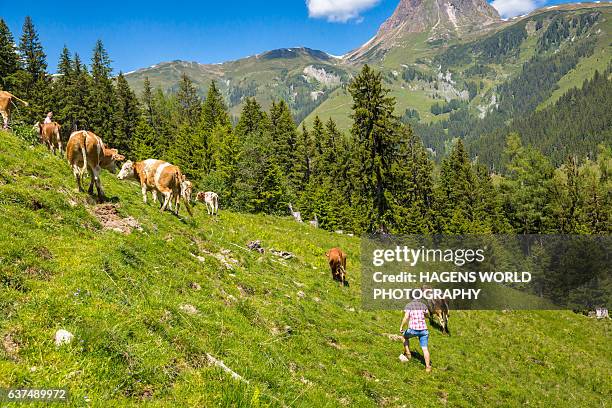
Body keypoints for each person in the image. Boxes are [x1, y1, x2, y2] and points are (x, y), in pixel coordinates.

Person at [399, 299, 432, 372]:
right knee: (425, 349)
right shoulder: (423, 305)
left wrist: (401, 327)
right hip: (424, 331)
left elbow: (406, 317)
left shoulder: (409, 305)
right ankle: (427, 367)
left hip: (413, 330)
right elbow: (427, 315)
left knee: (404, 336)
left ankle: (408, 353)